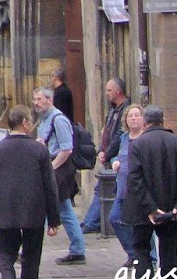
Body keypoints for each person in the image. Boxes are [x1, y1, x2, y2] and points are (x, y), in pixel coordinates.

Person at [0, 106, 61, 279]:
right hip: (34, 213)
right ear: (24, 123)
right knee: (31, 261)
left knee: (5, 254)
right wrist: (53, 219)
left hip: (6, 212)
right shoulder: (39, 150)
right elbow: (50, 187)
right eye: (30, 120)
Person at [121, 105, 177, 279]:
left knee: (141, 249)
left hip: (142, 210)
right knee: (169, 254)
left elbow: (135, 179)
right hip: (172, 208)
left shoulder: (138, 144)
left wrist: (151, 208)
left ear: (145, 122)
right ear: (163, 121)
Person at [32, 86, 87, 264]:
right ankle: (77, 249)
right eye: (35, 99)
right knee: (63, 209)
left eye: (39, 99)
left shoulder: (59, 119)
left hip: (59, 168)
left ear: (49, 100)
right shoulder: (43, 120)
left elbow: (67, 148)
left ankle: (77, 250)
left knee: (62, 208)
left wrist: (52, 167)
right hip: (51, 165)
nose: (36, 103)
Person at [83, 76, 129, 233]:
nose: (107, 93)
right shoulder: (114, 109)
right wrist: (101, 150)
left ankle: (92, 223)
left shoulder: (125, 109)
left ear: (118, 91)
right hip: (109, 155)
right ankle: (90, 222)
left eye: (109, 90)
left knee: (106, 189)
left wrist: (107, 153)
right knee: (101, 188)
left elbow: (119, 134)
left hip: (117, 156)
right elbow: (107, 131)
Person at [109, 104, 151, 268]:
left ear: (143, 119)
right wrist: (115, 162)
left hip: (139, 189)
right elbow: (117, 156)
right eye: (130, 116)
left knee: (143, 225)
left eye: (136, 115)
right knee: (115, 218)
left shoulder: (145, 138)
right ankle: (133, 254)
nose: (133, 118)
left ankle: (151, 258)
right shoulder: (124, 138)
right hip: (122, 188)